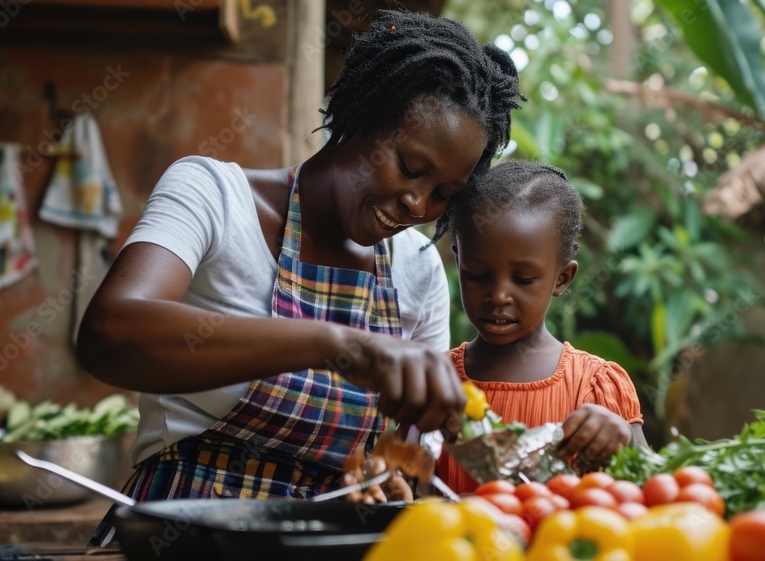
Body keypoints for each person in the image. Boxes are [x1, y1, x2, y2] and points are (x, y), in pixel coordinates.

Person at [75, 8, 522, 518]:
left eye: (444, 193)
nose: (418, 206)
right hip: (185, 528)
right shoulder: (214, 196)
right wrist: (336, 344)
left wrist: (388, 471)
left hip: (326, 537)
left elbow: (408, 445)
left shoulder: (417, 269)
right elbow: (108, 336)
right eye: (409, 168)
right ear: (359, 114)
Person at [436, 160, 647, 494]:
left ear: (562, 279)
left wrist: (624, 439)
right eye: (477, 274)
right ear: (459, 261)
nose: (498, 295)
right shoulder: (437, 381)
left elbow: (651, 489)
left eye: (523, 279)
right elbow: (408, 482)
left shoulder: (593, 386)